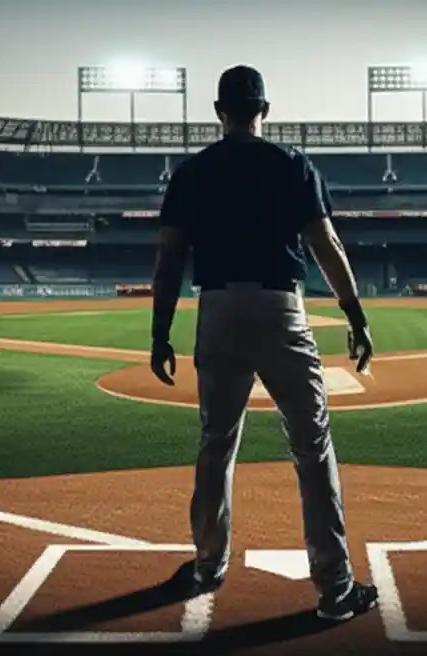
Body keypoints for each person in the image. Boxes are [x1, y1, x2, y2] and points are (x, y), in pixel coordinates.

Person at [148, 64, 379, 622]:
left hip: (218, 310)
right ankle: (335, 587)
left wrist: (160, 332)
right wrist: (354, 314)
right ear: (265, 111)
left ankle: (208, 563)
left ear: (219, 112)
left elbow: (170, 256)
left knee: (216, 442)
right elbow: (326, 244)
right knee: (311, 446)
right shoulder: (292, 164)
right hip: (281, 310)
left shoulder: (193, 171)